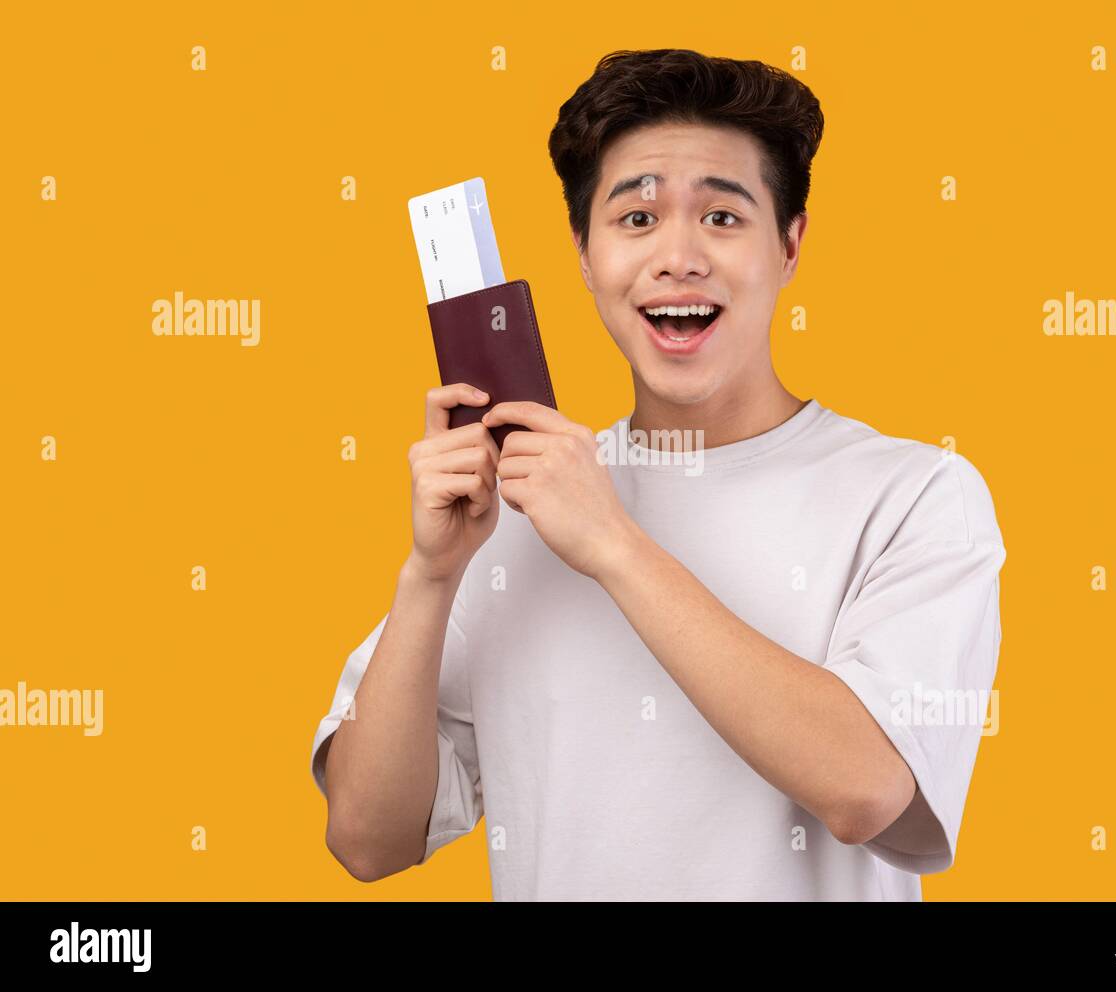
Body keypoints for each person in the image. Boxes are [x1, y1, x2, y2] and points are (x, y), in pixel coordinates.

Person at [310, 48, 1006, 900]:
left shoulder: (916, 496)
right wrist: (432, 573)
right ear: (583, 252)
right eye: (636, 220)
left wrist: (611, 544)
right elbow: (367, 838)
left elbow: (866, 786)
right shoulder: (520, 505)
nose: (677, 256)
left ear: (790, 246)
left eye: (722, 217)